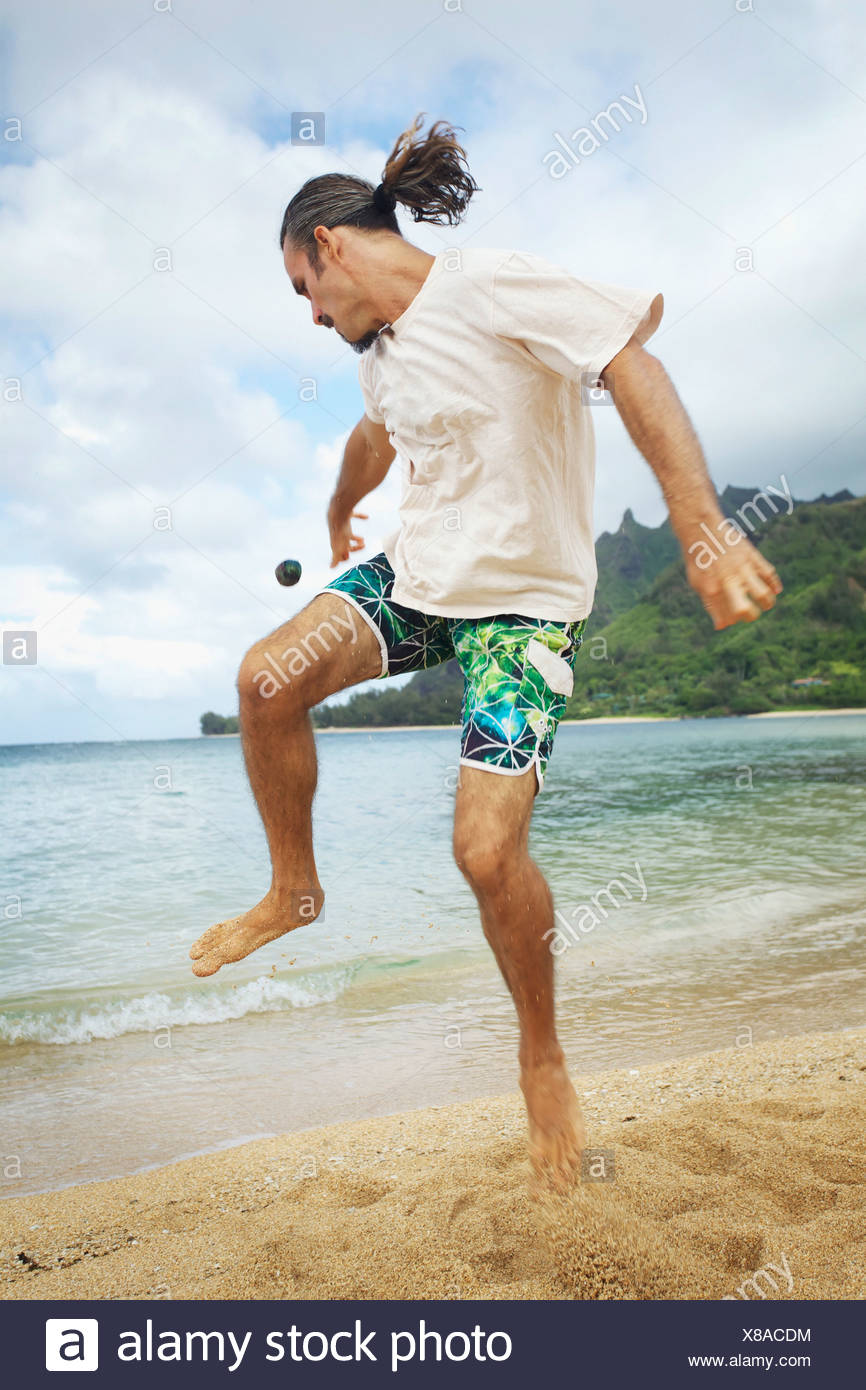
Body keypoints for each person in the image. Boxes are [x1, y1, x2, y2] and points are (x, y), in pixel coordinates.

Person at [189, 113, 783, 1188]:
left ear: (329, 247)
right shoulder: (377, 355)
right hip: (422, 578)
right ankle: (294, 890)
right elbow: (376, 435)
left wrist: (699, 522)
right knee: (262, 679)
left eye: (301, 290)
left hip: (523, 608)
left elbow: (629, 364)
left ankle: (541, 1053)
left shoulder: (493, 284)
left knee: (482, 853)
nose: (311, 315)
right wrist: (337, 516)